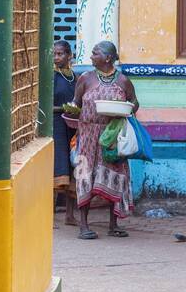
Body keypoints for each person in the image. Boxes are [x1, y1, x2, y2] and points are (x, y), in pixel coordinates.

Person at [72, 40, 138, 240]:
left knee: (114, 175)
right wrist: (72, 111)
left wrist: (125, 110)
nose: (91, 57)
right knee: (85, 176)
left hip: (112, 135)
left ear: (108, 58)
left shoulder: (123, 81)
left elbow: (134, 102)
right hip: (88, 135)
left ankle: (113, 224)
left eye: (95, 53)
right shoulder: (85, 78)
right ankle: (84, 225)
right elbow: (76, 103)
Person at [52, 40, 78, 227]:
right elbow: (45, 104)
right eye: (54, 54)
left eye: (60, 54)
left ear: (69, 55)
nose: (56, 57)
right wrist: (63, 108)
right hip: (56, 125)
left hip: (73, 126)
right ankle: (50, 215)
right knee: (57, 166)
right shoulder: (51, 77)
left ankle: (70, 215)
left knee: (72, 166)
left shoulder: (76, 78)